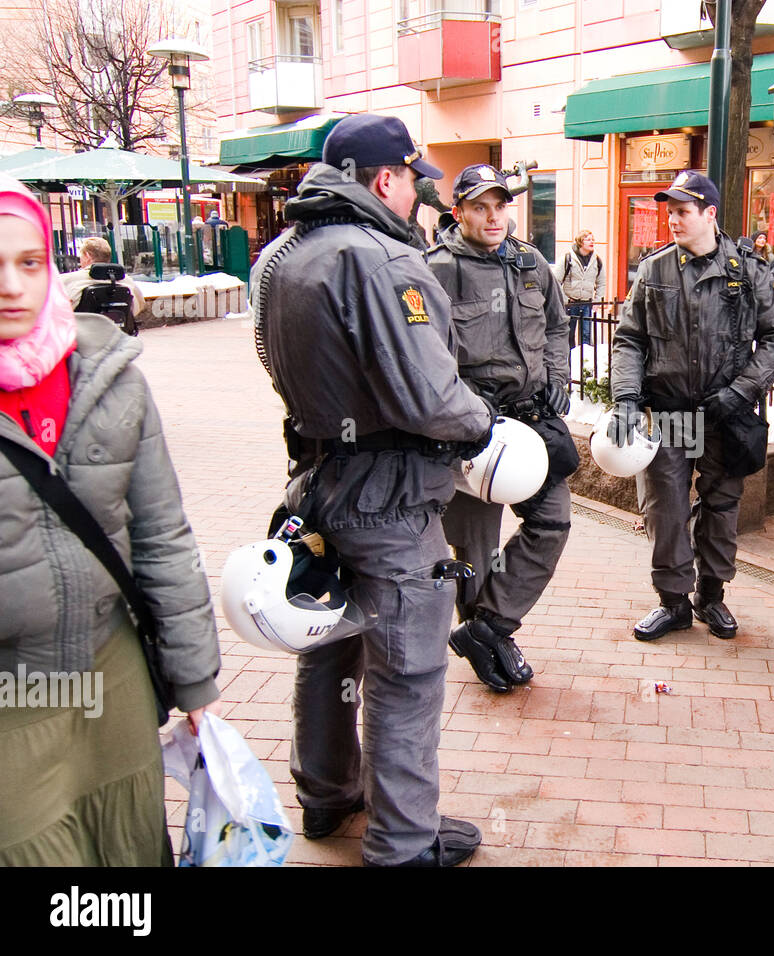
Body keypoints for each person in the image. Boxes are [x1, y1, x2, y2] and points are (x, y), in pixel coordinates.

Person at [251, 114, 494, 867]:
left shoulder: (280, 256)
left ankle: (326, 797)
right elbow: (431, 396)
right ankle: (403, 842)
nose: (420, 198)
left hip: (316, 484)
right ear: (384, 180)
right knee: (408, 670)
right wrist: (485, 423)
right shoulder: (382, 260)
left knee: (329, 647)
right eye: (415, 182)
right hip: (387, 499)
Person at [0, 173, 220, 865]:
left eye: (28, 262)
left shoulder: (110, 375)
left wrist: (197, 686)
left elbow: (162, 536)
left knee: (130, 855)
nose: (11, 285)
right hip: (13, 696)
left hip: (111, 673)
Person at [609, 171, 774, 641]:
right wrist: (627, 397)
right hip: (673, 413)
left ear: (709, 214)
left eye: (683, 211)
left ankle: (711, 597)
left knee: (721, 505)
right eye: (670, 211)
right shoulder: (654, 270)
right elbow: (629, 340)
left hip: (725, 414)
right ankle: (672, 602)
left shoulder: (749, 271)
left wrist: (744, 389)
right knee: (667, 507)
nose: (673, 219)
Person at [427, 164, 574, 694]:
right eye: (480, 207)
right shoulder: (435, 271)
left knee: (552, 523)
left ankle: (490, 626)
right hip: (471, 432)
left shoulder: (529, 262)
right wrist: (465, 411)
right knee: (476, 549)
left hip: (531, 421)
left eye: (501, 205)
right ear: (458, 212)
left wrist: (558, 375)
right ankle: (489, 645)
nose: (494, 217)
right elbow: (425, 358)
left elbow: (557, 325)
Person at [60, 237, 146, 321]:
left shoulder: (65, 280)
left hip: (82, 332)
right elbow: (140, 306)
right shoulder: (127, 281)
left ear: (87, 255)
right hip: (117, 332)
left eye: (81, 255)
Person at [557, 229, 605, 349]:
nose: (592, 242)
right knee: (569, 334)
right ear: (580, 242)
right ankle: (569, 361)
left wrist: (597, 300)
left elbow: (601, 282)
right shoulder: (567, 258)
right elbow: (556, 281)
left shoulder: (597, 260)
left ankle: (584, 362)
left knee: (586, 335)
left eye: (593, 239)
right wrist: (564, 299)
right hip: (570, 303)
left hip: (587, 303)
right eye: (588, 239)